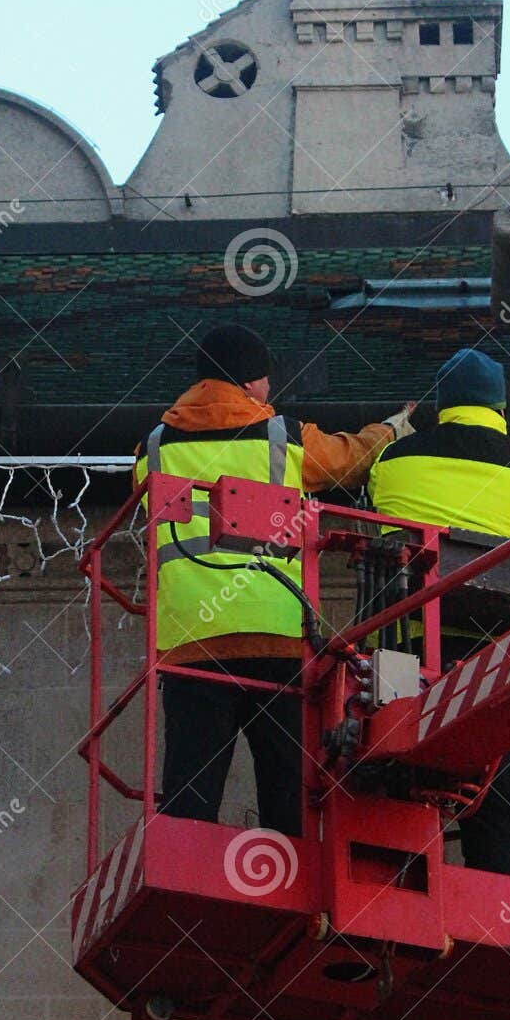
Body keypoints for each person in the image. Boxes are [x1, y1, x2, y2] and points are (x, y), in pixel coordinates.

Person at [135, 323, 411, 836]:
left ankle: (186, 895)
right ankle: (287, 880)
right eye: (263, 381)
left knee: (189, 796)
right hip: (276, 639)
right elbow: (347, 460)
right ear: (248, 384)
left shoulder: (152, 448)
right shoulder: (282, 435)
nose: (268, 391)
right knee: (288, 791)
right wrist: (391, 430)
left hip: (189, 642)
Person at [367, 347, 510, 874]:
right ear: (499, 407)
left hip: (407, 661)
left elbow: (374, 497)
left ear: (443, 404)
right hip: (499, 665)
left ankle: (398, 897)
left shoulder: (396, 462)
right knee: (498, 809)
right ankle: (496, 910)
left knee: (399, 798)